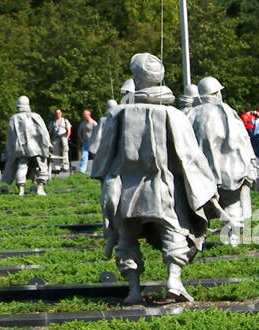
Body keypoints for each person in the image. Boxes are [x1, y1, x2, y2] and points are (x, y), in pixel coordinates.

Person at [91, 53, 222, 305]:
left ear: (136, 78)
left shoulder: (118, 115)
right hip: (163, 191)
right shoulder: (173, 115)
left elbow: (102, 160)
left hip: (125, 191)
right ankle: (174, 279)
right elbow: (192, 158)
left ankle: (134, 290)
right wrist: (208, 191)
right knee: (173, 233)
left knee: (126, 239)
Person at [189, 76, 258, 248]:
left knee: (199, 209)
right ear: (216, 92)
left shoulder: (191, 114)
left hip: (200, 173)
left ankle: (197, 240)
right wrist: (250, 164)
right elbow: (241, 140)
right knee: (232, 205)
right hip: (230, 169)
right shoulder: (226, 111)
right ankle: (231, 239)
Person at [0, 96, 51, 196]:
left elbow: (10, 137)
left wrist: (11, 150)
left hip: (22, 149)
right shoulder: (36, 116)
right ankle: (40, 188)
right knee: (41, 167)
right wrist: (47, 145)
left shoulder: (14, 118)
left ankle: (21, 189)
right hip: (37, 148)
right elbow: (44, 132)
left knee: (22, 166)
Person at [49, 108, 73, 174]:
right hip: (55, 138)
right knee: (55, 152)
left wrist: (67, 137)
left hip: (63, 137)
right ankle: (57, 166)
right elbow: (50, 131)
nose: (58, 114)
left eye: (59, 113)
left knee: (65, 151)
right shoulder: (52, 122)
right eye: (56, 113)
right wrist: (50, 139)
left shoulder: (65, 121)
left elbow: (69, 129)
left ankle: (65, 166)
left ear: (61, 113)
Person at [77, 108, 98, 173]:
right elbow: (79, 132)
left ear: (89, 115)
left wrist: (95, 141)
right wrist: (82, 140)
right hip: (85, 142)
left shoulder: (94, 123)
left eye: (85, 114)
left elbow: (98, 132)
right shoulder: (83, 123)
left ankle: (97, 169)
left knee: (96, 156)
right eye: (83, 114)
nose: (84, 116)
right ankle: (82, 170)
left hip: (93, 142)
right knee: (84, 156)